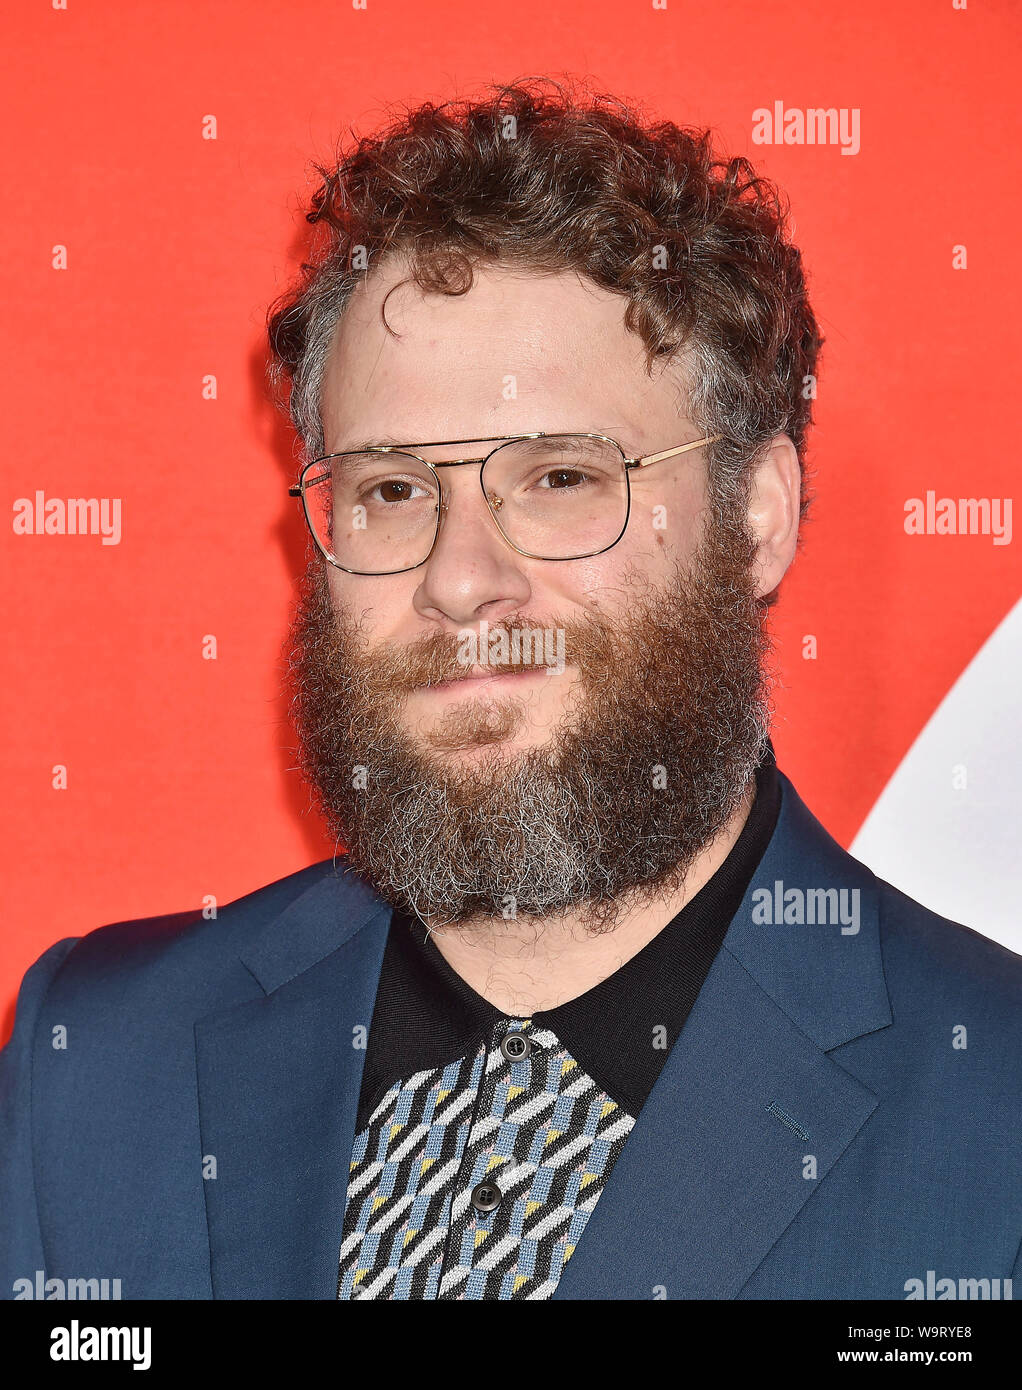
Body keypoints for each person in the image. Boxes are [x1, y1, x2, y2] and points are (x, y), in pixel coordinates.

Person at [3, 79, 1020, 1302]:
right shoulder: (98, 1066)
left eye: (557, 478)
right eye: (390, 490)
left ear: (758, 518)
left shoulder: (990, 1107)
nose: (459, 580)